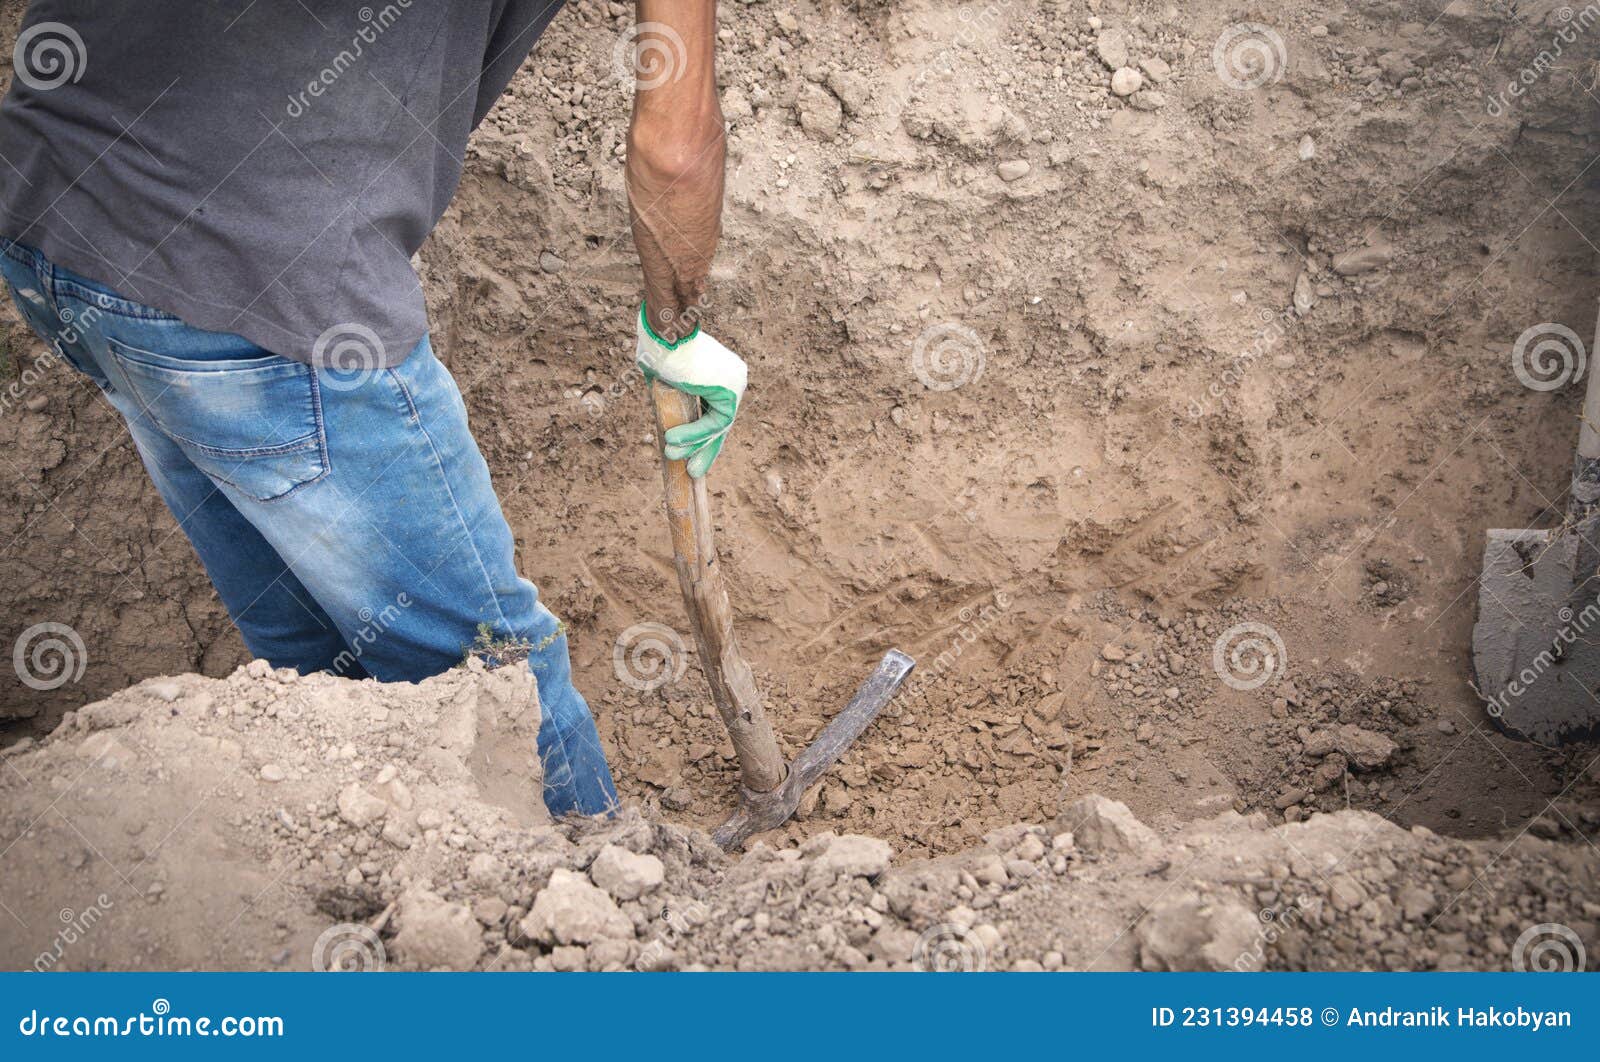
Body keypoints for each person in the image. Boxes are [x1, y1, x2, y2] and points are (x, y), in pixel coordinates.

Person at [0, 2, 747, 817]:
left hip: (52, 212)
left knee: (311, 660)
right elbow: (676, 152)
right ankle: (590, 916)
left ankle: (370, 877)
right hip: (254, 264)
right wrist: (674, 332)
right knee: (493, 681)